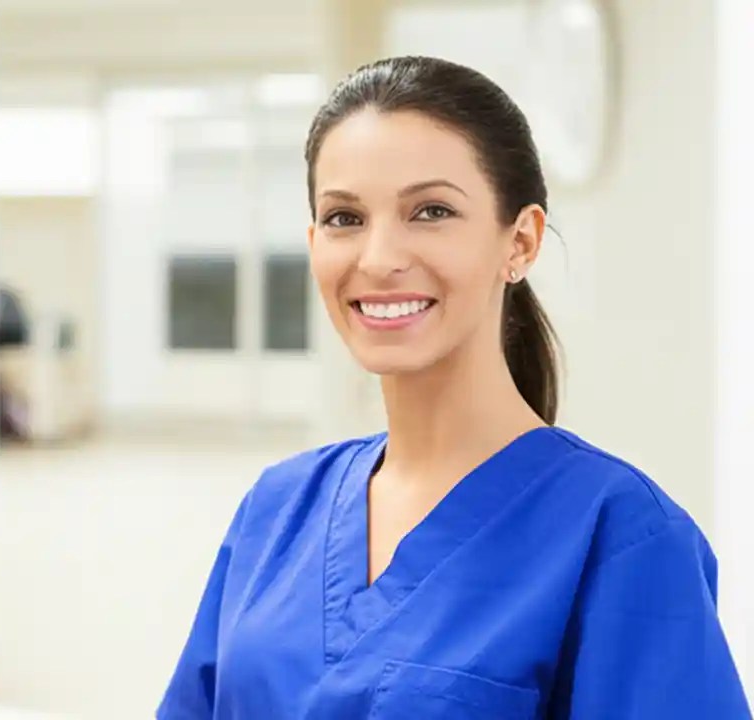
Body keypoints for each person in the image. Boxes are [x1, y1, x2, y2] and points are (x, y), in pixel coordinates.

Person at [156, 56, 751, 719]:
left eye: (431, 211)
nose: (378, 258)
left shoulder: (622, 535)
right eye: (344, 218)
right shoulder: (276, 509)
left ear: (519, 242)